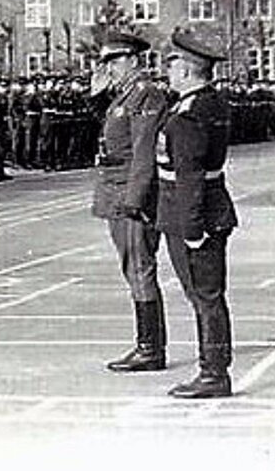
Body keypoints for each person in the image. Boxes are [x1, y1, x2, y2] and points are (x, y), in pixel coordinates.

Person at [155, 27, 238, 399]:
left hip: (194, 212)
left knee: (204, 295)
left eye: (173, 66)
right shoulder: (211, 103)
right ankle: (215, 367)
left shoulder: (189, 114)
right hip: (211, 205)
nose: (168, 73)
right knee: (208, 294)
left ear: (187, 70)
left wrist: (190, 227)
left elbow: (189, 175)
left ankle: (213, 373)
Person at [89, 32, 168, 373]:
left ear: (134, 61)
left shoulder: (146, 94)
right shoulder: (123, 96)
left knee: (139, 267)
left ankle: (150, 348)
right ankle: (148, 344)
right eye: (106, 62)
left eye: (115, 61)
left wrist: (136, 199)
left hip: (129, 194)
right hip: (115, 190)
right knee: (132, 268)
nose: (109, 69)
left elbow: (143, 152)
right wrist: (95, 99)